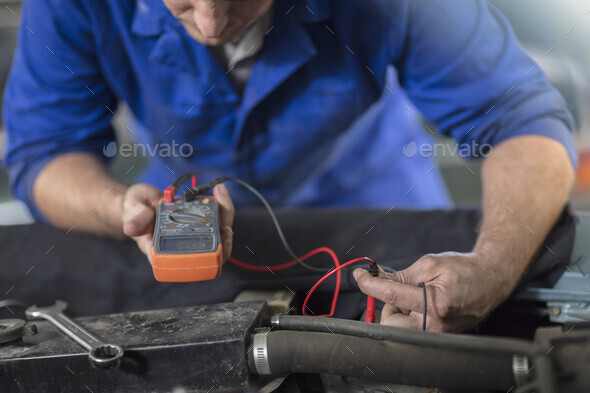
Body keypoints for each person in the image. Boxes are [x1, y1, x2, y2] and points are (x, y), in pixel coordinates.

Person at [2, 0, 576, 332]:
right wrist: (121, 208)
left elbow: (521, 121)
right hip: (185, 212)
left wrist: (493, 268)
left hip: (375, 198)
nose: (208, 23)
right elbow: (43, 151)